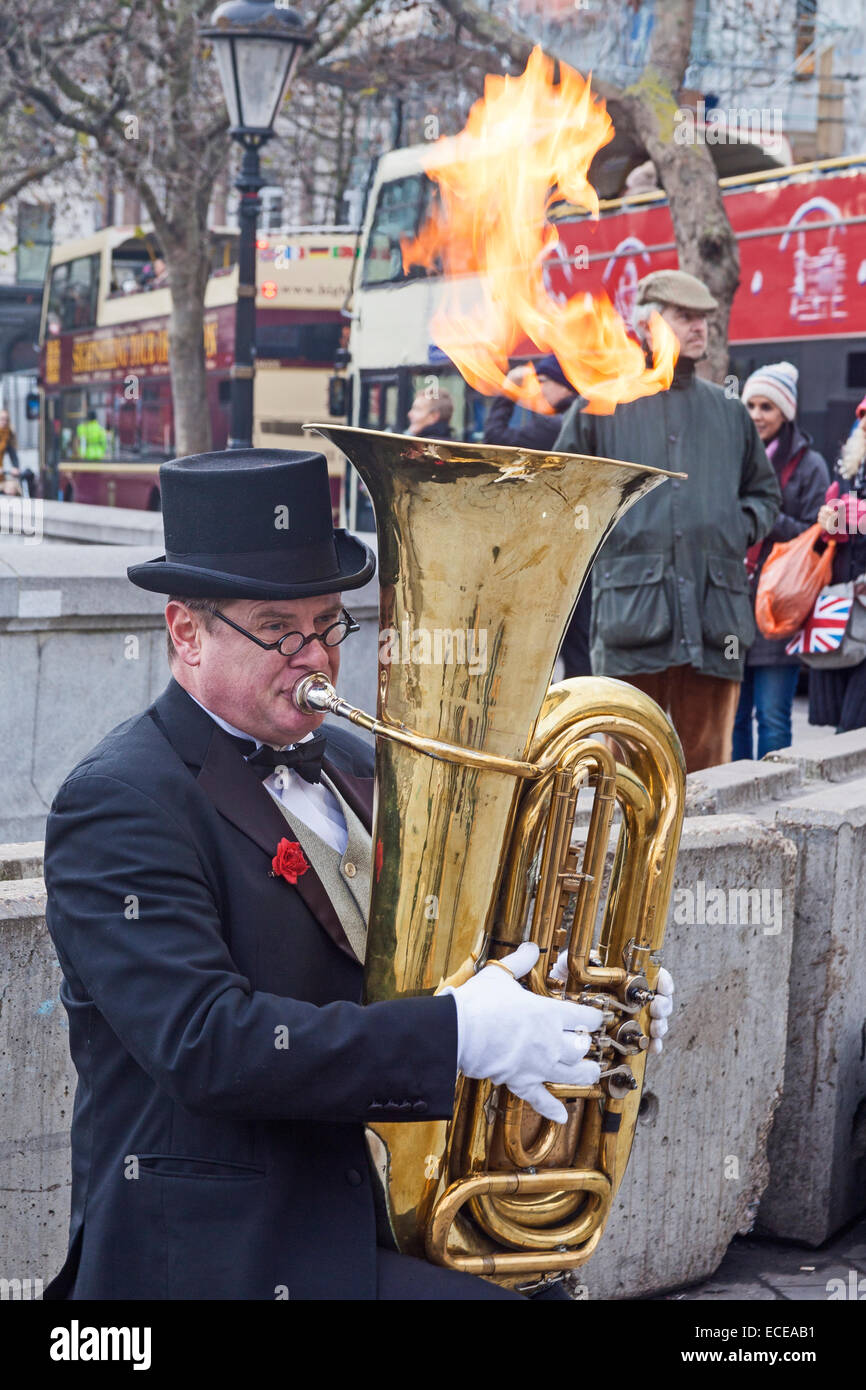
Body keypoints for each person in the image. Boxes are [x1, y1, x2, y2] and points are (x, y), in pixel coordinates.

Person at [43, 448, 675, 1301]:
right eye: (277, 631)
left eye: (331, 624)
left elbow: (447, 955)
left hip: (374, 1208)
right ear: (184, 633)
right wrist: (457, 1034)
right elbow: (209, 1046)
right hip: (226, 1253)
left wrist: (579, 1002)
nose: (316, 658)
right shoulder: (118, 801)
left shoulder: (353, 757)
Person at [554, 269, 781, 773]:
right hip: (632, 620)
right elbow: (562, 492)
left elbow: (765, 494)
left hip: (714, 621)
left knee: (709, 779)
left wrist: (735, 526)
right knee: (625, 782)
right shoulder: (601, 401)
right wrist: (607, 535)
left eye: (704, 319)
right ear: (648, 321)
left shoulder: (729, 410)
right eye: (686, 317)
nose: (700, 327)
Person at [733, 363, 829, 759]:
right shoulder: (732, 457)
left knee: (772, 717)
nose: (756, 415)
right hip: (733, 604)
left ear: (785, 412)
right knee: (733, 717)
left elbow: (817, 537)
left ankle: (771, 800)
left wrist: (763, 513)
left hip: (781, 605)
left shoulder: (810, 466)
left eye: (767, 407)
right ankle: (733, 798)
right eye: (751, 405)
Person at [482, 356, 591, 677]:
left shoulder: (553, 425)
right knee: (579, 646)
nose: (537, 389)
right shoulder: (590, 417)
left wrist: (508, 390)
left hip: (552, 551)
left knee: (539, 648)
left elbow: (495, 437)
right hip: (585, 548)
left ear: (564, 383)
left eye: (543, 382)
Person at [808, 395, 866, 734]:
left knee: (854, 724)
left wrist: (850, 517)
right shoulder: (846, 472)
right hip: (843, 601)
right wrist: (829, 523)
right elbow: (829, 532)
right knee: (840, 715)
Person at [0, 408, 22, 496]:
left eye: (6, 419)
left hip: (1, 473)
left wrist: (15, 467)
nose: (4, 422)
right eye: (2, 419)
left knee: (12, 490)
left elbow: (12, 454)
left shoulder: (8, 434)